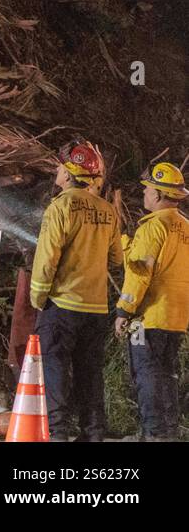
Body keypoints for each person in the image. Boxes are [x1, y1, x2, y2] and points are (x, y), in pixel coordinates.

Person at [29, 138, 123, 441]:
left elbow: (46, 259)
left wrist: (38, 298)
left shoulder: (60, 207)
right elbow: (117, 258)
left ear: (69, 174)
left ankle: (57, 432)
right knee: (90, 373)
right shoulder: (108, 210)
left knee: (55, 369)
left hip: (62, 305)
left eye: (59, 166)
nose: (56, 172)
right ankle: (93, 433)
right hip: (95, 308)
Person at [114, 161, 189, 440]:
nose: (144, 194)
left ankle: (153, 433)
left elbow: (139, 274)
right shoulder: (184, 226)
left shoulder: (153, 227)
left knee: (146, 375)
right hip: (177, 318)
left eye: (147, 190)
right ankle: (167, 432)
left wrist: (124, 310)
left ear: (158, 195)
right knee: (167, 375)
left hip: (147, 319)